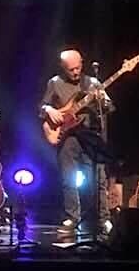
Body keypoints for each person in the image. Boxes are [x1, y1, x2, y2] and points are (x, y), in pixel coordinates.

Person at [39, 49, 115, 238]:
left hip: (90, 135)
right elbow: (42, 107)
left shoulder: (93, 83)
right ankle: (72, 217)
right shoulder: (55, 83)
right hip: (68, 138)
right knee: (68, 178)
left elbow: (109, 108)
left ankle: (104, 218)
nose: (75, 72)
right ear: (63, 68)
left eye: (78, 67)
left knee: (99, 178)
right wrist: (49, 110)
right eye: (71, 69)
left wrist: (103, 102)